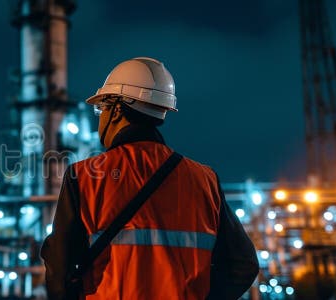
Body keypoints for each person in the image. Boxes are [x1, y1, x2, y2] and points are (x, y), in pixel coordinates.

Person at [40, 57, 258, 299]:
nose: (100, 117)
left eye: (101, 109)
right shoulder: (204, 179)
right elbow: (243, 265)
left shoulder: (84, 176)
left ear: (116, 110)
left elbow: (59, 271)